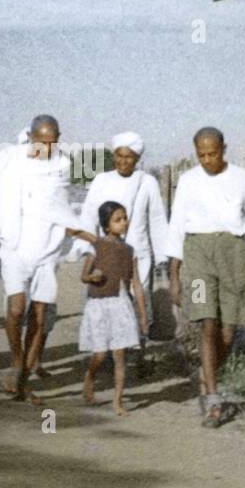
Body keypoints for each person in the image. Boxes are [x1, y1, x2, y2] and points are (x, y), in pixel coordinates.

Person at [0, 114, 97, 404]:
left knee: (41, 316)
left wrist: (93, 238)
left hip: (47, 250)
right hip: (15, 247)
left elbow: (61, 208)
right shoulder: (10, 161)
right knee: (17, 308)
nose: (47, 147)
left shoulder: (63, 166)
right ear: (31, 137)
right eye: (41, 141)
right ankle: (18, 362)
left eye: (53, 141)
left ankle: (23, 376)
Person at [166, 127, 245, 427]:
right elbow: (176, 226)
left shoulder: (240, 178)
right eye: (201, 155)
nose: (207, 160)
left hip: (232, 255)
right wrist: (174, 275)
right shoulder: (188, 182)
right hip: (198, 255)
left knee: (228, 332)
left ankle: (207, 372)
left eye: (212, 153)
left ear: (224, 149)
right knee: (206, 323)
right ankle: (213, 399)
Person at [73, 131, 168, 375]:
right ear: (113, 155)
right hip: (105, 254)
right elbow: (88, 217)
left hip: (138, 254)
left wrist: (163, 257)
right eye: (119, 156)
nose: (123, 161)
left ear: (137, 158)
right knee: (106, 302)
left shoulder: (147, 182)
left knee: (138, 300)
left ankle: (138, 353)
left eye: (129, 157)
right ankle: (104, 354)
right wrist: (86, 249)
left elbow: (157, 220)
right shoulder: (101, 181)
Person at [80, 201, 148, 416]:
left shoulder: (129, 251)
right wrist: (93, 276)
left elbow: (136, 283)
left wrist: (143, 314)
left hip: (120, 304)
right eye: (118, 220)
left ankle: (117, 401)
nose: (124, 223)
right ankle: (90, 377)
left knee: (120, 354)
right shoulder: (96, 246)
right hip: (99, 304)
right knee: (100, 355)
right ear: (106, 225)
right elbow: (83, 276)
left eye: (125, 218)